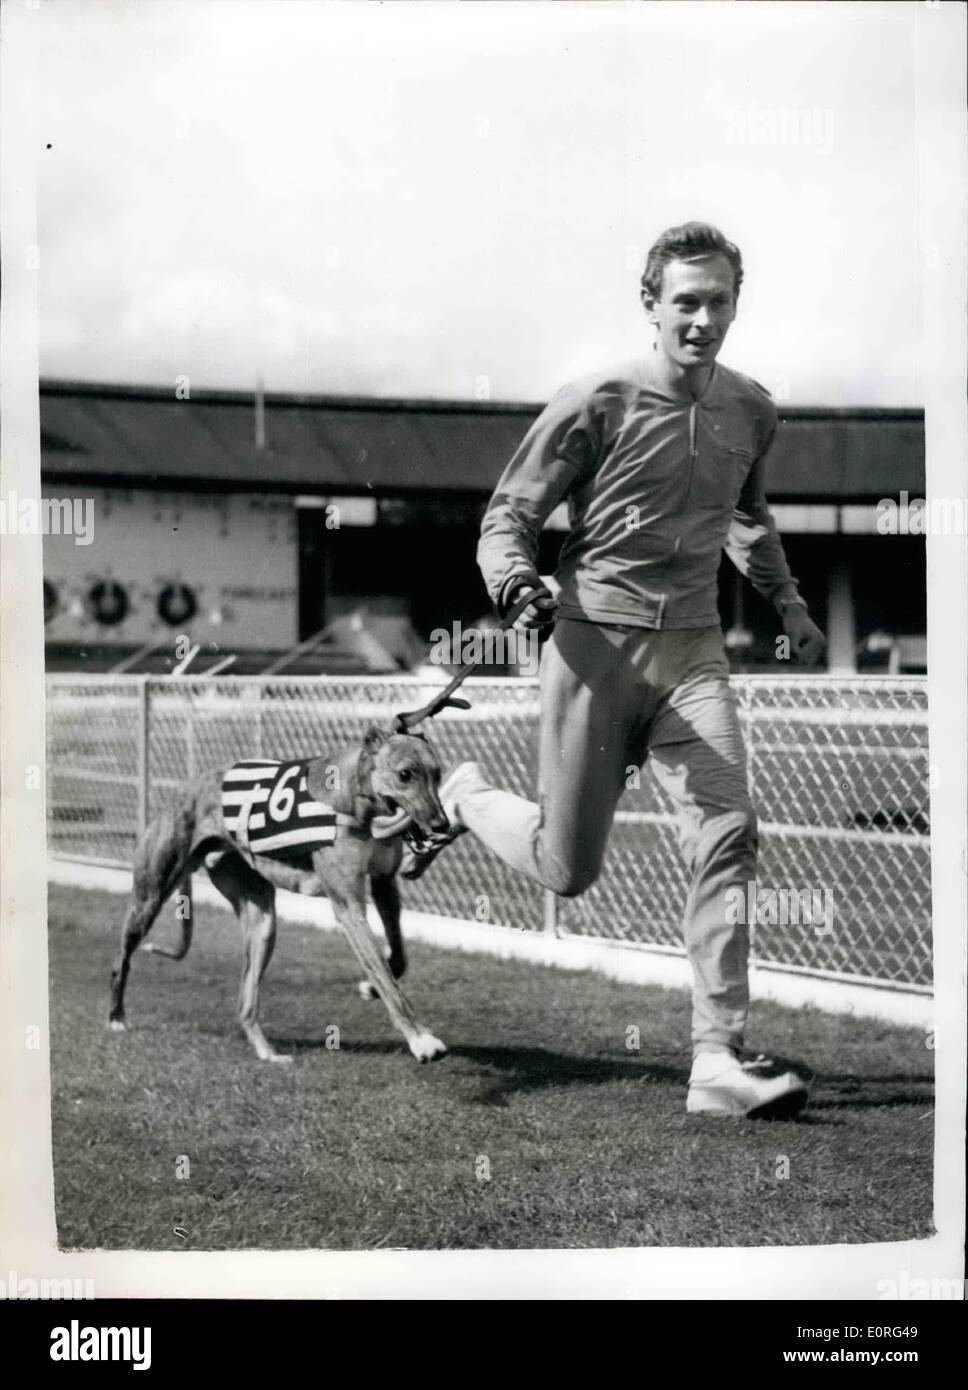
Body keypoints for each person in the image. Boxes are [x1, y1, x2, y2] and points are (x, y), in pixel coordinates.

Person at [407, 222, 826, 1118]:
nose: (703, 318)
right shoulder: (595, 397)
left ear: (736, 304)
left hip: (695, 655)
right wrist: (514, 577)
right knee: (567, 868)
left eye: (719, 301)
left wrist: (787, 603)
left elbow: (748, 518)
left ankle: (717, 1060)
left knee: (729, 831)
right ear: (651, 306)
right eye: (686, 301)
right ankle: (467, 795)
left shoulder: (752, 409)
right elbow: (507, 515)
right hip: (591, 646)